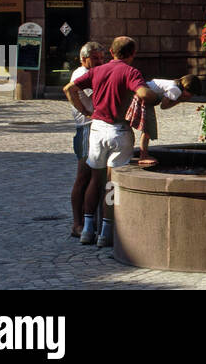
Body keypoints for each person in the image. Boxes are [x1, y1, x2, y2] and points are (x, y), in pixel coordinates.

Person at [62, 35, 160, 247]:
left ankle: (87, 230)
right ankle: (106, 233)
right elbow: (143, 93)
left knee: (94, 181)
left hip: (96, 129)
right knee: (111, 184)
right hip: (118, 131)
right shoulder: (130, 71)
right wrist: (156, 97)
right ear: (132, 53)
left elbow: (69, 89)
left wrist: (85, 111)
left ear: (112, 52)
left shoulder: (98, 70)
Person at [66, 42, 108, 238]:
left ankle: (88, 221)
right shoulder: (81, 74)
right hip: (86, 129)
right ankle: (77, 223)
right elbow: (72, 90)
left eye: (102, 58)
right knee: (83, 176)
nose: (100, 62)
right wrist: (85, 112)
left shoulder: (91, 72)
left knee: (93, 176)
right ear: (84, 59)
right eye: (96, 59)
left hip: (94, 127)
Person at [127, 74, 201, 166]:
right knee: (148, 129)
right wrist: (179, 101)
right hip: (144, 98)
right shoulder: (176, 90)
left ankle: (137, 154)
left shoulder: (174, 83)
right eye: (191, 94)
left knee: (142, 128)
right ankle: (143, 156)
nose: (191, 97)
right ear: (187, 88)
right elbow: (164, 106)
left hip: (140, 94)